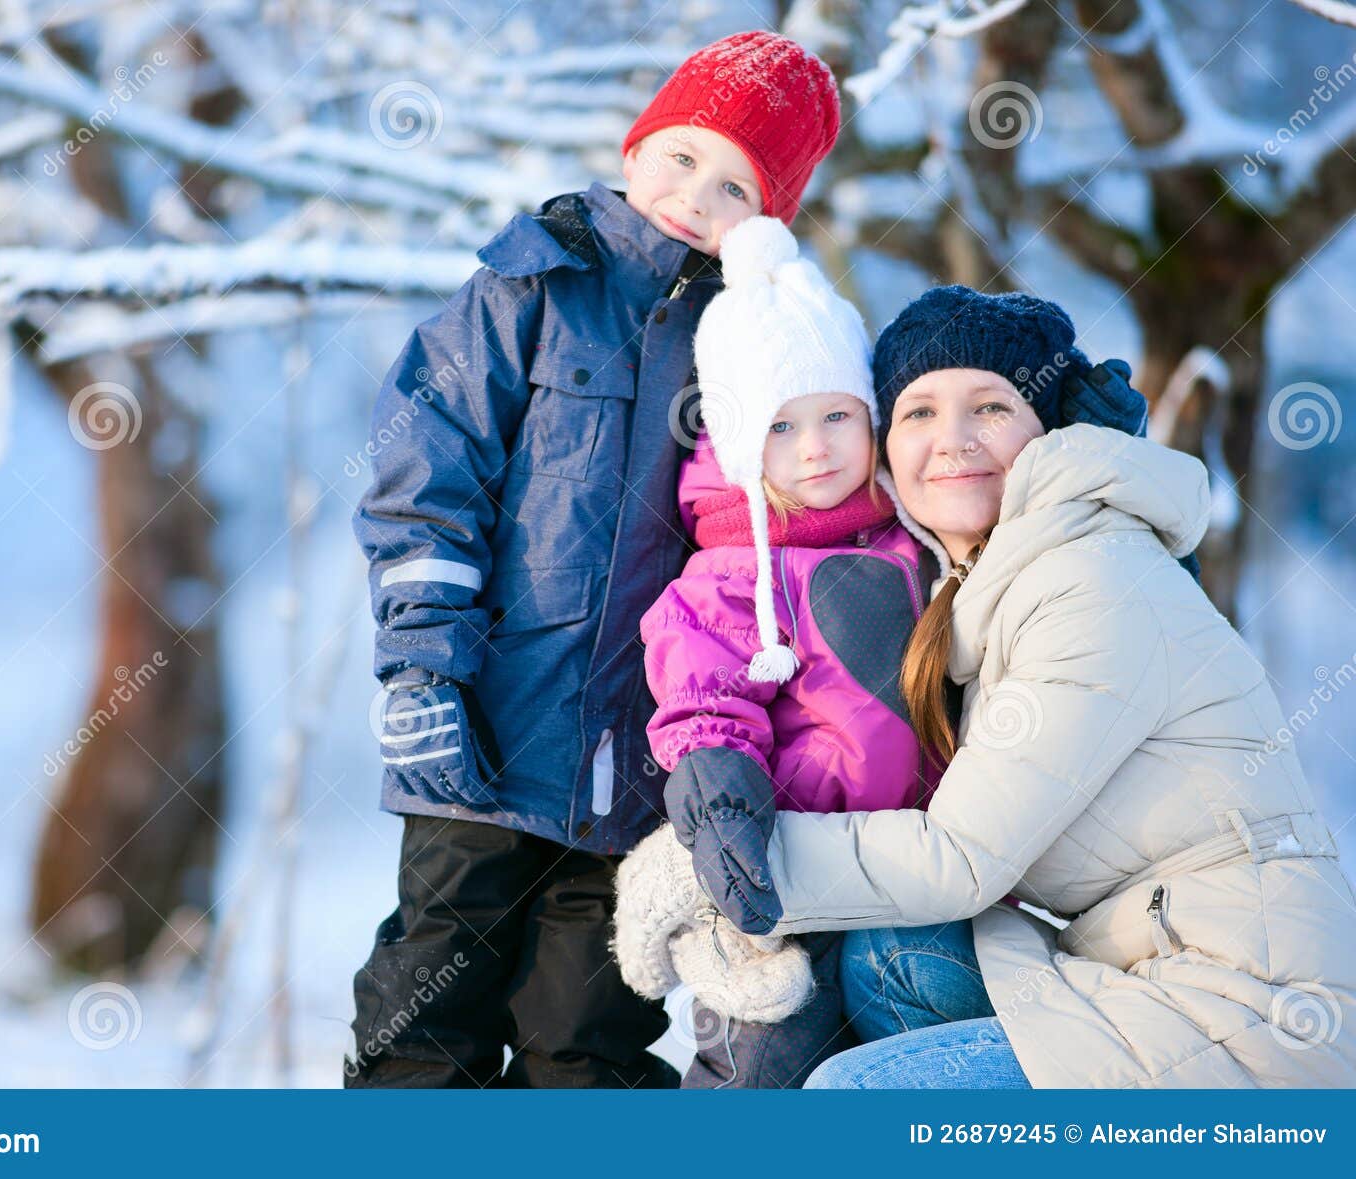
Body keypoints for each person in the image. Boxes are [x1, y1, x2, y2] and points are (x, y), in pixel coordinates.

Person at [345, 32, 843, 1088]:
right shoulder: (531, 286)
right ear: (636, 148)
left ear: (768, 221)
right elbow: (425, 472)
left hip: (640, 770)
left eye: (734, 187)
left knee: (591, 1038)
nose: (695, 197)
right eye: (682, 158)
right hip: (485, 738)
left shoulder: (753, 343)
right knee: (429, 1012)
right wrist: (425, 668)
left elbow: (844, 457)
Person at [761, 284, 1356, 1088]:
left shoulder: (1087, 577)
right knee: (892, 957)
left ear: (1048, 428)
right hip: (1145, 966)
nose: (953, 439)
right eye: (919, 412)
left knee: (851, 1097)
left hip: (1247, 1014)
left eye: (992, 407)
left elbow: (959, 857)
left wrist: (733, 857)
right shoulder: (996, 585)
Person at [616, 216, 945, 1088]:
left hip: (911, 873)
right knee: (757, 1070)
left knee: (883, 1072)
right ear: (733, 440)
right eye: (781, 426)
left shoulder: (914, 543)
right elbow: (703, 697)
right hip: (785, 876)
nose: (816, 447)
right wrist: (722, 797)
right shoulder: (727, 573)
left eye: (838, 415)